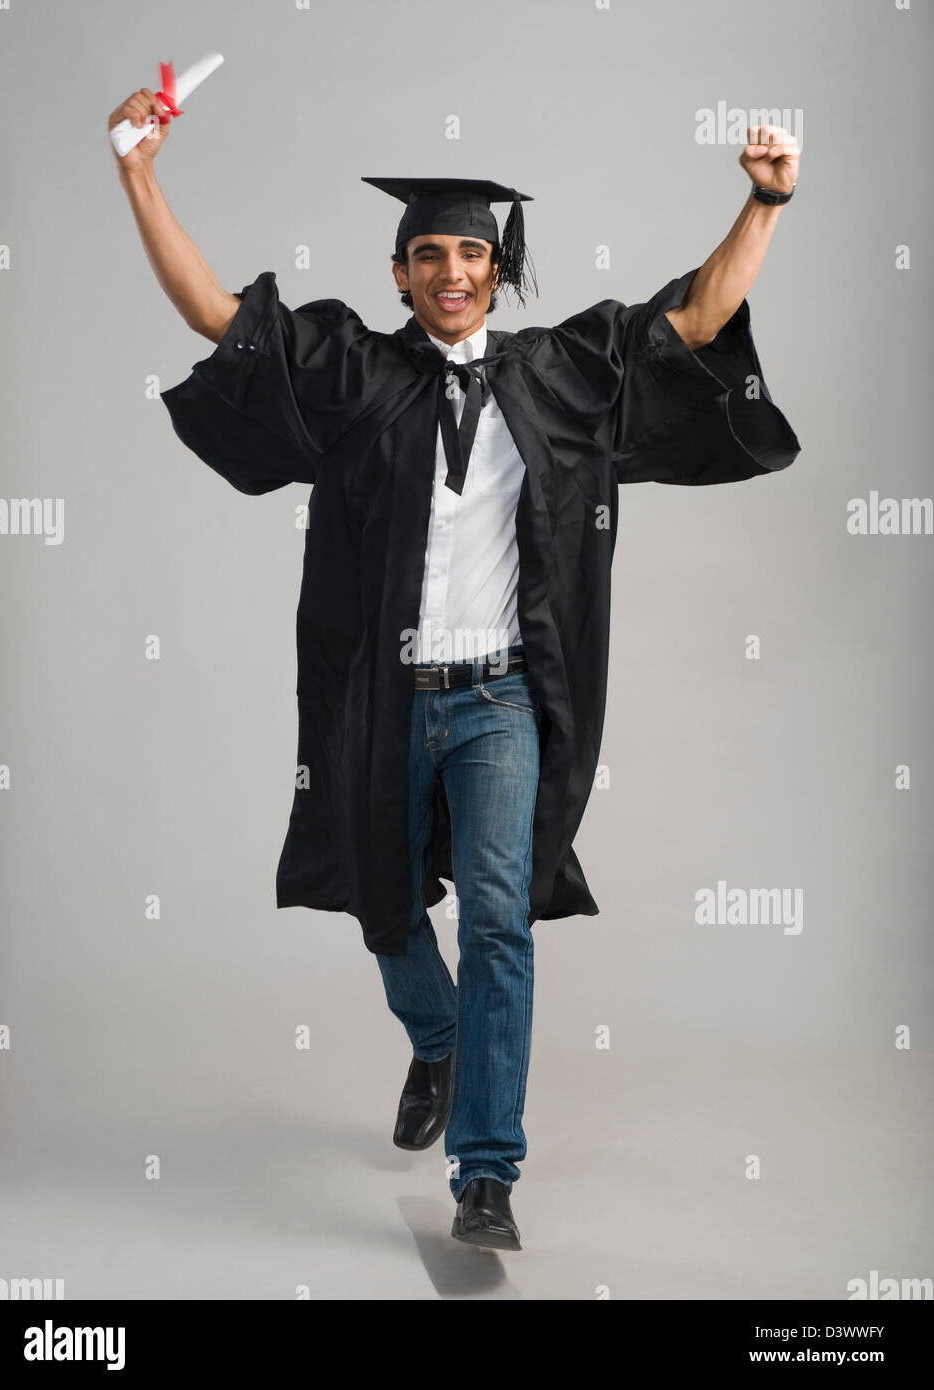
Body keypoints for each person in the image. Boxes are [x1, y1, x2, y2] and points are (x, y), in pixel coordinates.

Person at [109, 86, 801, 1252]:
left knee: (497, 920)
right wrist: (138, 174)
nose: (450, 269)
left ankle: (487, 1174)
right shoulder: (355, 374)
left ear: (498, 264)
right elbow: (218, 316)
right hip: (382, 699)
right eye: (427, 252)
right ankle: (434, 1039)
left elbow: (692, 318)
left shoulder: (559, 372)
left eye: (470, 249)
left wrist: (765, 199)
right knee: (386, 913)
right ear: (398, 274)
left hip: (500, 700)